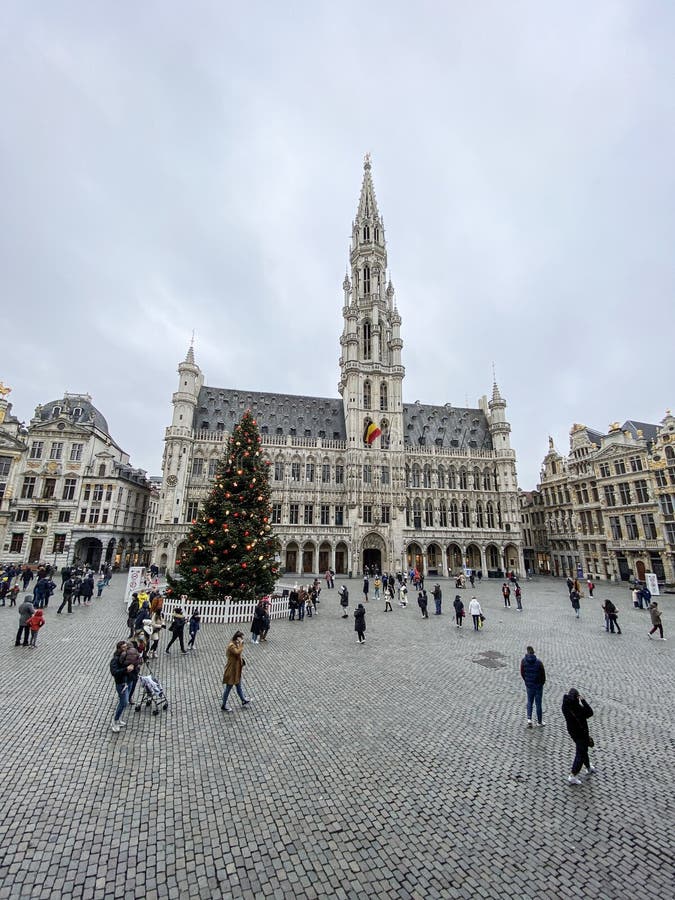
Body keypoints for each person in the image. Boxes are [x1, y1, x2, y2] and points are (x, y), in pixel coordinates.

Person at [561, 688, 595, 785]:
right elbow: (590, 712)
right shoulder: (578, 708)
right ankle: (573, 775)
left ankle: (588, 767)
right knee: (580, 753)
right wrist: (583, 701)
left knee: (583, 750)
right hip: (581, 733)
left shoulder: (565, 706)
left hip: (573, 732)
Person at [221, 631, 252, 711]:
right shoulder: (232, 646)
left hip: (237, 670)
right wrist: (241, 644)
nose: (242, 640)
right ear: (237, 638)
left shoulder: (235, 644)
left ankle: (243, 700)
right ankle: (223, 705)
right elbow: (237, 652)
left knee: (239, 686)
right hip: (232, 671)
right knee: (228, 688)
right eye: (241, 638)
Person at [110, 640, 135, 733]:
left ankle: (118, 719)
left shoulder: (127, 656)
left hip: (129, 681)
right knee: (123, 702)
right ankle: (115, 720)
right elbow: (114, 672)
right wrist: (126, 669)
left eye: (126, 647)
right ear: (119, 649)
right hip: (121, 683)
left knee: (125, 701)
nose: (126, 648)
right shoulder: (115, 659)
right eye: (124, 647)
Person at [520, 646, 546, 727]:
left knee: (529, 702)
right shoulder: (538, 662)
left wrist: (526, 681)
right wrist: (541, 683)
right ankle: (539, 722)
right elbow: (543, 675)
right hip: (538, 686)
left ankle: (529, 719)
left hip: (529, 685)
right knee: (538, 704)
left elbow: (522, 672)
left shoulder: (523, 661)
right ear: (533, 652)